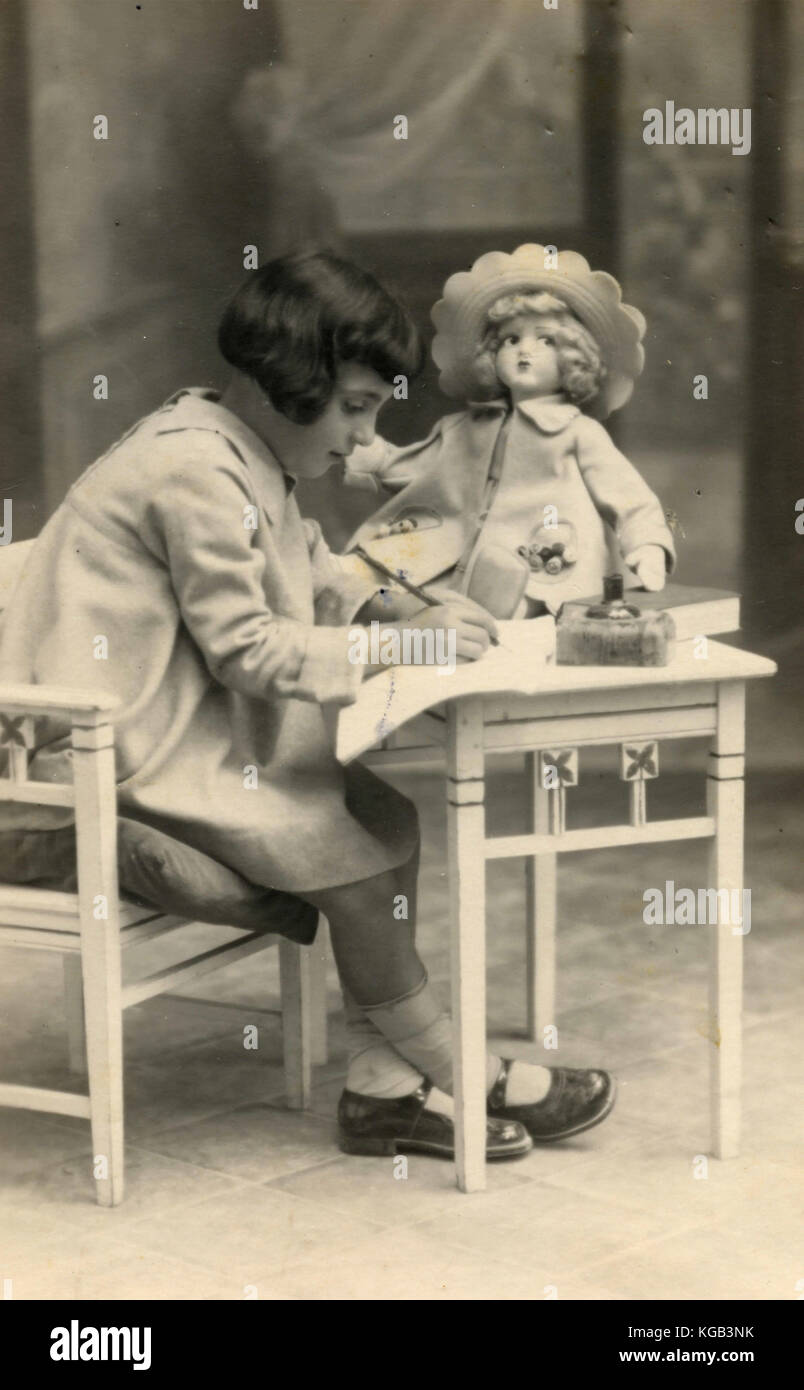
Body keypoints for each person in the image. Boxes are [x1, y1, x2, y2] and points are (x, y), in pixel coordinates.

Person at [1, 250, 615, 1160]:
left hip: (170, 735)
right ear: (287, 385)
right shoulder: (194, 471)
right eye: (356, 408)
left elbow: (312, 565)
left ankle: (383, 1090)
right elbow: (248, 648)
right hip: (103, 757)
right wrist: (407, 644)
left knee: (386, 816)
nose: (363, 442)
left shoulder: (229, 442)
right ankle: (461, 1071)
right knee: (361, 882)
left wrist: (406, 604)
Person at [344, 244, 676, 618]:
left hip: (541, 569)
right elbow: (414, 467)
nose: (524, 350)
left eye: (545, 340)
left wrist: (647, 546)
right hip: (455, 558)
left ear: (574, 355)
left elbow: (630, 499)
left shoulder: (578, 433)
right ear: (490, 353)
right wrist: (373, 456)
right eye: (510, 339)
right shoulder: (463, 427)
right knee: (391, 591)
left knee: (511, 609)